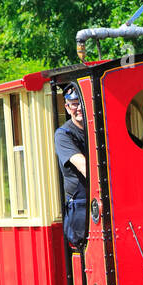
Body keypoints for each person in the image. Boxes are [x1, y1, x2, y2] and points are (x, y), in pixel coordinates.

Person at [54, 85, 89, 246]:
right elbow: (84, 167)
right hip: (81, 206)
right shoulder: (64, 135)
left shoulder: (98, 128)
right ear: (67, 108)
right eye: (74, 104)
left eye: (82, 103)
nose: (79, 108)